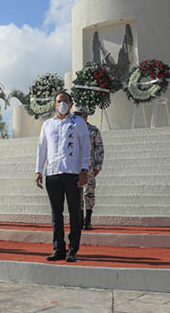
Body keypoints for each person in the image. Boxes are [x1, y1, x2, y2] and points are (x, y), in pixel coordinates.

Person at [35, 92, 90, 262]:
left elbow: (85, 145)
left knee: (75, 212)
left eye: (65, 101)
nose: (62, 104)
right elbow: (42, 148)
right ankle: (58, 248)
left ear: (71, 104)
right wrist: (38, 170)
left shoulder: (78, 123)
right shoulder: (47, 124)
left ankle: (73, 249)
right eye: (59, 101)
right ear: (54, 104)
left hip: (73, 173)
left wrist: (84, 169)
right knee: (56, 214)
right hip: (53, 174)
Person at [73, 106, 104, 230]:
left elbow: (99, 148)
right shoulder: (72, 130)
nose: (77, 117)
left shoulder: (93, 130)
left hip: (89, 167)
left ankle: (88, 218)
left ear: (85, 116)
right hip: (75, 166)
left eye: (80, 115)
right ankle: (80, 219)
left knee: (89, 192)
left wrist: (98, 166)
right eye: (76, 115)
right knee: (77, 193)